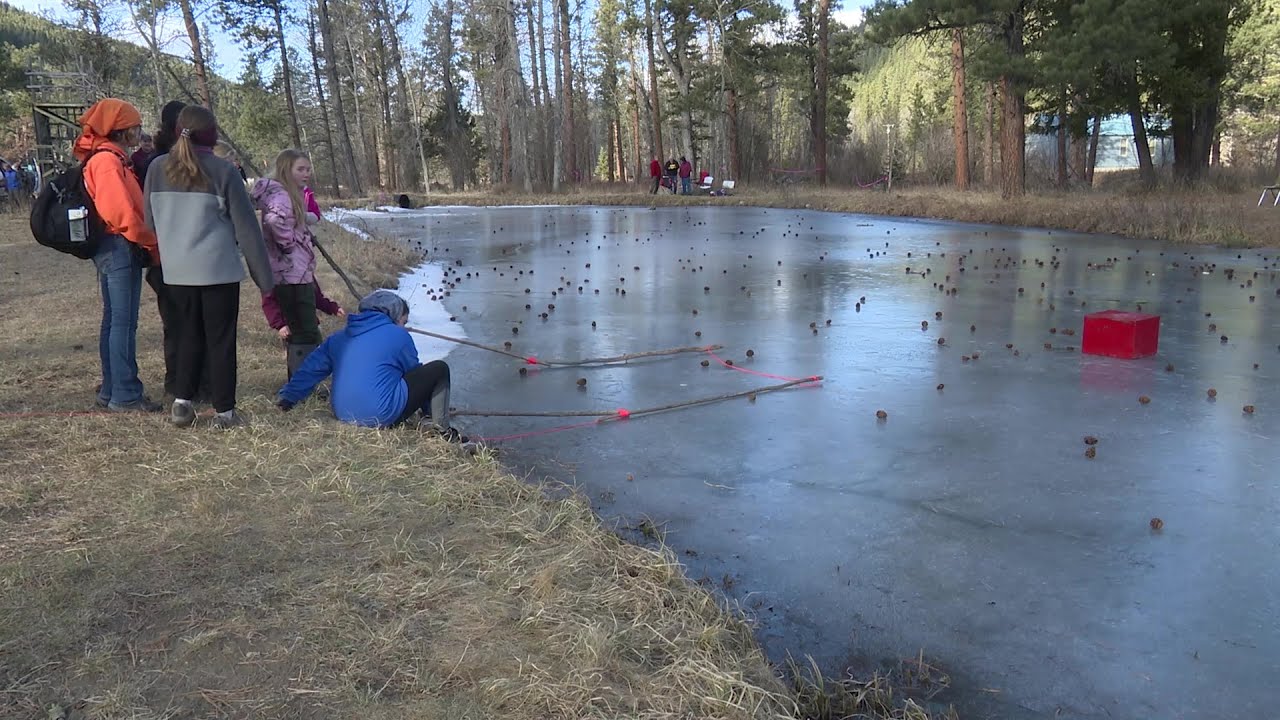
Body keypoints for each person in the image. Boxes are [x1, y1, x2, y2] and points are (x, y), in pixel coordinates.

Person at [143, 105, 275, 429]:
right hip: (218, 272)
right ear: (212, 134)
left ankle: (182, 402)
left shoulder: (156, 168)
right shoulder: (224, 171)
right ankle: (224, 413)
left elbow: (149, 222)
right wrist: (266, 281)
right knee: (220, 341)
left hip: (176, 272)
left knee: (186, 336)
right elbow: (247, 232)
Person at [274, 289, 467, 442]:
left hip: (344, 414)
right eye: (403, 321)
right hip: (380, 415)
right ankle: (442, 431)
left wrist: (288, 398)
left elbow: (310, 370)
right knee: (439, 369)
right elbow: (416, 376)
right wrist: (428, 408)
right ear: (393, 316)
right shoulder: (398, 335)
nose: (404, 327)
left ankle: (431, 422)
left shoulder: (339, 338)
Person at [77, 99, 163, 412]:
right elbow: (120, 212)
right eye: (135, 127)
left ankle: (112, 390)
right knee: (123, 324)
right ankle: (125, 394)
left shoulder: (110, 158)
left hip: (116, 246)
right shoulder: (107, 162)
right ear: (122, 130)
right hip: (119, 247)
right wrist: (150, 240)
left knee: (114, 321)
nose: (139, 133)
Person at [251, 149, 321, 379]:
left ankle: (301, 379)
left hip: (290, 271)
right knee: (306, 330)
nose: (306, 173)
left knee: (300, 328)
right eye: (300, 169)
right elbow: (274, 221)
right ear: (285, 170)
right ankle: (304, 382)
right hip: (292, 273)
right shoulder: (282, 195)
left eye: (308, 169)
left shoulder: (286, 194)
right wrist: (290, 244)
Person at [143, 100, 188, 399]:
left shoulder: (154, 160)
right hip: (167, 256)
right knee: (177, 324)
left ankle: (183, 384)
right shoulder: (158, 163)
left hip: (173, 255)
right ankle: (179, 385)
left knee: (179, 324)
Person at [262, 280, 344, 341]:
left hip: (311, 326)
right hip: (291, 330)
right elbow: (269, 302)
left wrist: (333, 308)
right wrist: (280, 325)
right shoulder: (277, 274)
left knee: (317, 354)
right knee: (299, 356)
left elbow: (316, 297)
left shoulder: (305, 272)